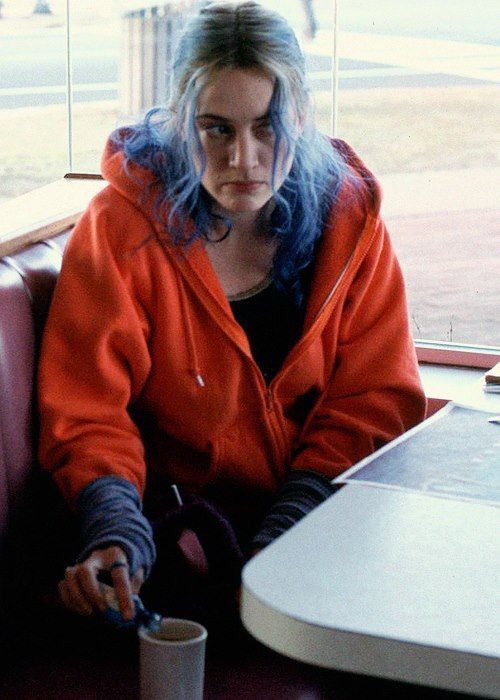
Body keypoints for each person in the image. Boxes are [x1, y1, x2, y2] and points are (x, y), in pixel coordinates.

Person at [37, 1, 426, 630]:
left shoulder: (351, 227)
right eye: (215, 128)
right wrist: (114, 529)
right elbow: (87, 411)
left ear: (299, 119)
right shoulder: (119, 229)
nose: (243, 158)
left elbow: (372, 399)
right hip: (174, 534)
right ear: (180, 122)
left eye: (266, 127)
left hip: (321, 519)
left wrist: (290, 529)